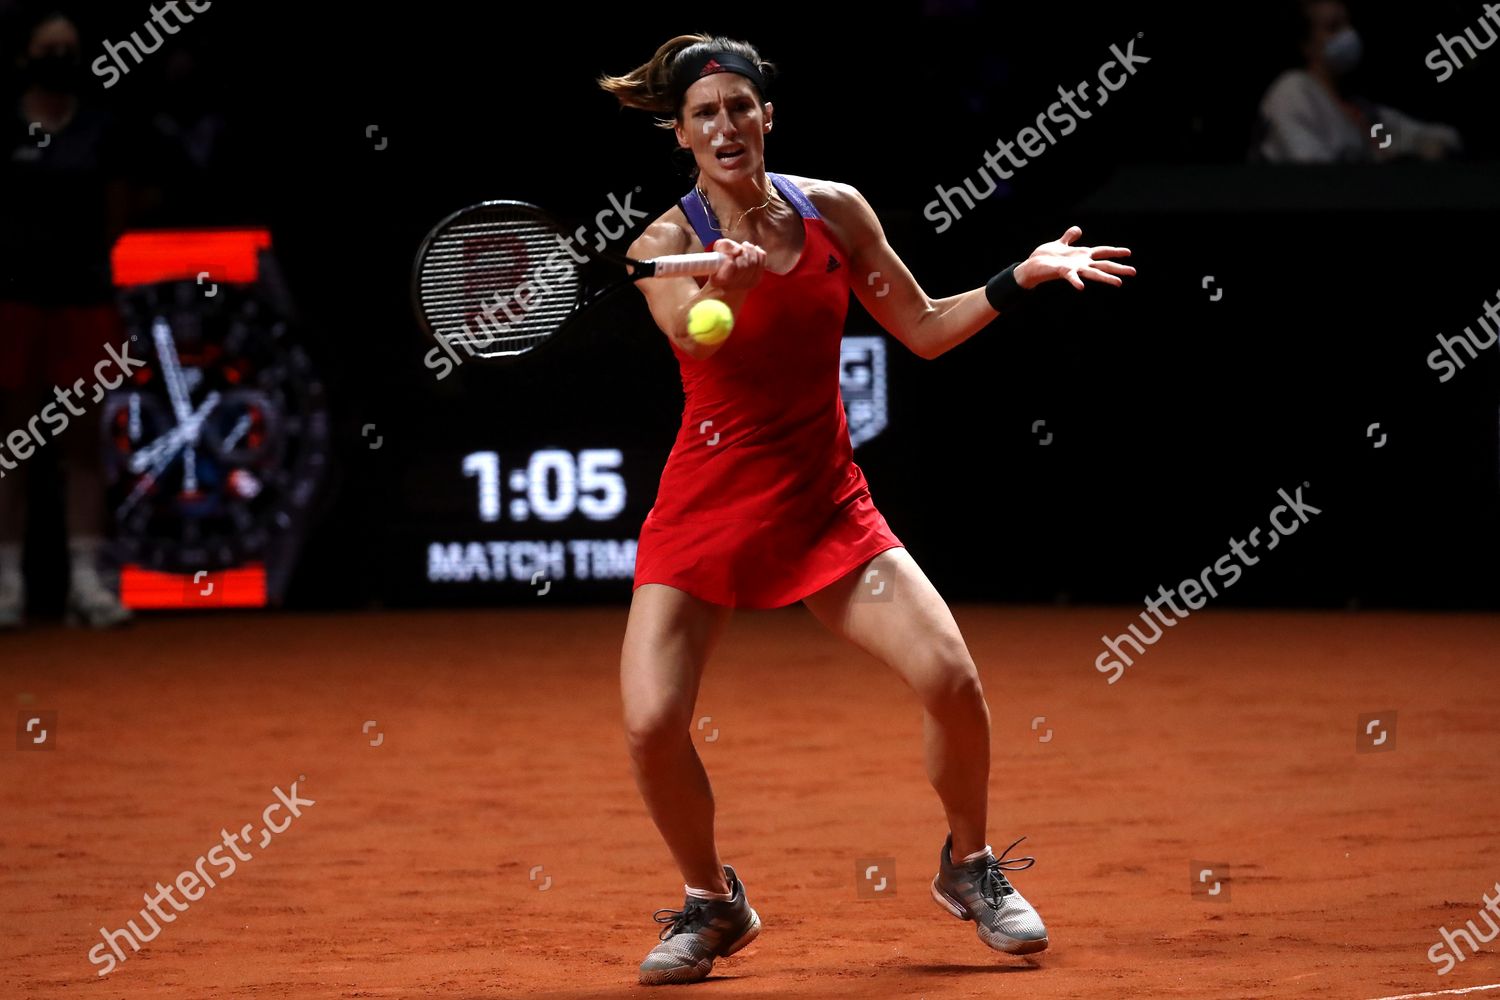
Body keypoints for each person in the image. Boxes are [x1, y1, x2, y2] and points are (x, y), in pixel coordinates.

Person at [598, 34, 1135, 986]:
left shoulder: (836, 212)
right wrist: (716, 289)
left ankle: (969, 868)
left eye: (741, 106)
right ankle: (714, 905)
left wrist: (1024, 277)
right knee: (648, 724)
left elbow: (923, 329)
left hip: (823, 506)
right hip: (705, 508)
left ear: (768, 117)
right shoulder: (664, 247)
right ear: (680, 136)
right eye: (705, 114)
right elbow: (693, 338)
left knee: (953, 680)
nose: (727, 125)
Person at [0, 9, 132, 628]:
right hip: (15, 303)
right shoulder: (3, 126)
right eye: (49, 47)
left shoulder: (100, 130)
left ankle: (86, 583)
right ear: (25, 55)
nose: (61, 57)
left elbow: (117, 213)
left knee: (83, 445)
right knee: (13, 445)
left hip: (84, 301)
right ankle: (7, 584)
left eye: (70, 48)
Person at [1255, 0, 1462, 163]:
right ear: (1307, 45)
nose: (1347, 35)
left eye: (1347, 24)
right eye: (1333, 27)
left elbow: (1443, 136)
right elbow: (1310, 171)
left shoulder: (1364, 114)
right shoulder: (1293, 91)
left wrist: (1427, 147)